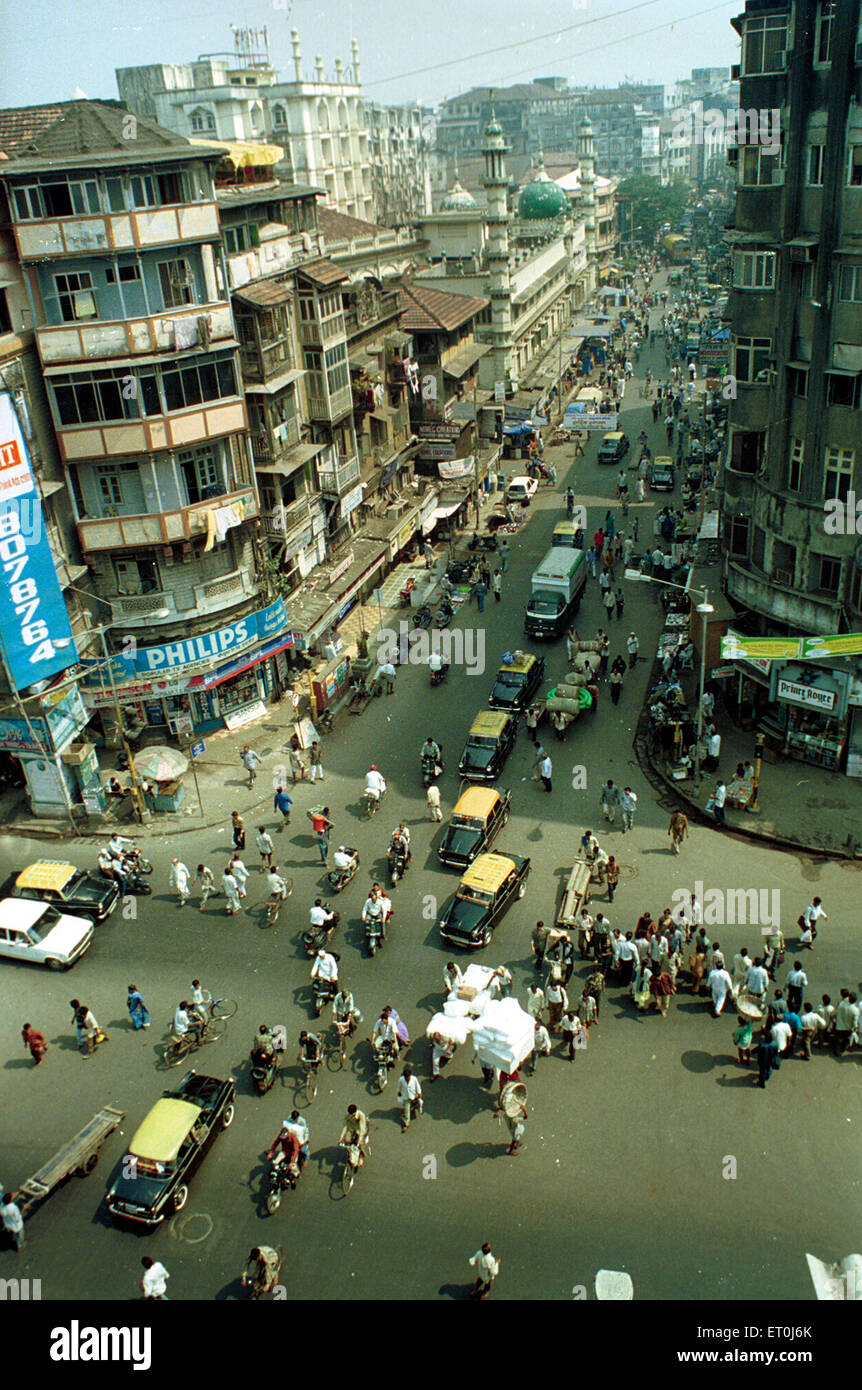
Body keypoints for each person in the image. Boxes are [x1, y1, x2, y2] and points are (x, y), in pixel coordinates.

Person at [397, 1065, 423, 1131]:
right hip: (406, 1097)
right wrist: (399, 1092)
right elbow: (399, 1087)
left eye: (408, 1078)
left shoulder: (414, 1079)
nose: (407, 1079)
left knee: (417, 1105)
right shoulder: (401, 1080)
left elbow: (418, 1086)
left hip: (414, 1096)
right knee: (406, 1111)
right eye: (406, 1078)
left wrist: (419, 1093)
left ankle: (414, 1107)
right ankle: (406, 1124)